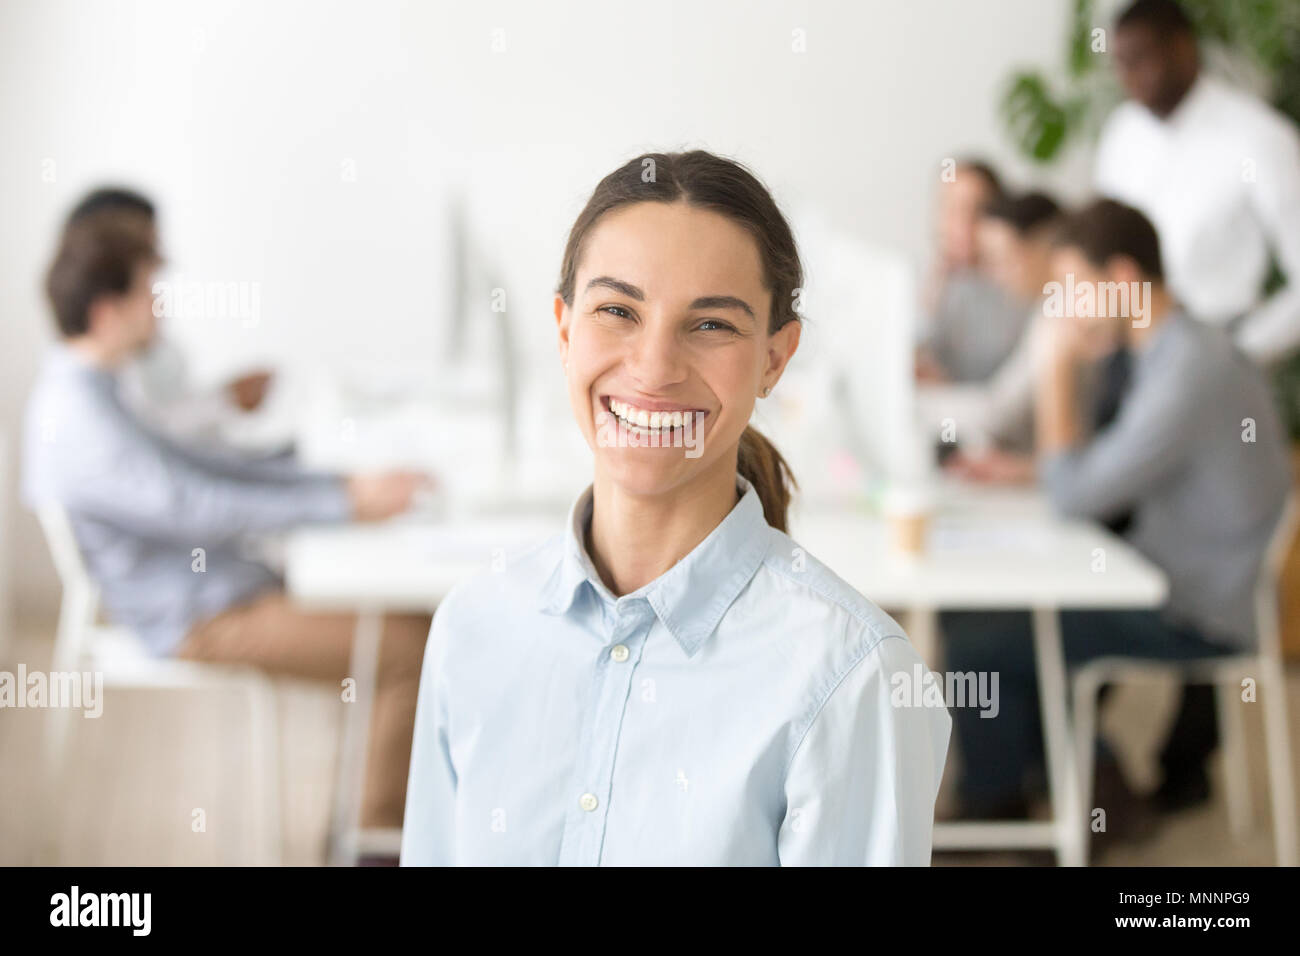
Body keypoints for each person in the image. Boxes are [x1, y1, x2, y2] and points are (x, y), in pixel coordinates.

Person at [401, 151, 952, 866]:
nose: (654, 367)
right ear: (565, 330)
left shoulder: (851, 676)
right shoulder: (472, 631)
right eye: (617, 311)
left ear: (775, 359)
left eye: (712, 325)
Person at [23, 209, 433, 840]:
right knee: (411, 648)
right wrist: (344, 502)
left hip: (220, 587)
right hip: (195, 618)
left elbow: (203, 466)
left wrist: (329, 480)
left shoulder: (97, 387)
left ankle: (360, 821)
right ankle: (375, 844)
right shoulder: (81, 419)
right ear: (108, 311)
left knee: (406, 625)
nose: (158, 308)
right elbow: (198, 504)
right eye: (147, 292)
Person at [941, 201, 1290, 842]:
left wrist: (1053, 364)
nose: (1062, 310)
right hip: (1176, 574)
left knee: (981, 644)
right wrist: (1028, 472)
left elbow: (1075, 495)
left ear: (1123, 279)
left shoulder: (1188, 369)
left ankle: (1022, 810)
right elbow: (1098, 469)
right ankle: (1062, 788)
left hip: (1198, 607)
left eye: (1072, 288)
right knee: (983, 616)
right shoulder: (1172, 350)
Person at [1096, 0, 1300, 364]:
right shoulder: (1120, 134)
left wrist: (1238, 354)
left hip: (1218, 346)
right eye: (1120, 64)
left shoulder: (1258, 137)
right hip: (1128, 358)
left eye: (1141, 59)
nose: (1129, 77)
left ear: (1182, 47)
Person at [63, 187, 281, 450]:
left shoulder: (126, 358)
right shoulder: (82, 391)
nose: (157, 300)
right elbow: (163, 456)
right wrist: (225, 401)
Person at [915, 160, 1026, 383]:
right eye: (950, 209)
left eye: (975, 211)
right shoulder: (940, 283)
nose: (960, 225)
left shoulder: (1020, 289)